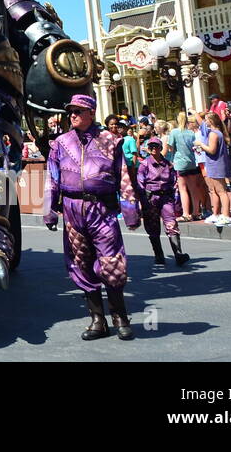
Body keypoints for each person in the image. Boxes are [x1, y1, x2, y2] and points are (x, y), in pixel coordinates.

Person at [42, 93, 140, 341]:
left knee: (112, 263)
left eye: (77, 110)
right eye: (70, 111)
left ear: (91, 113)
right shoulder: (60, 143)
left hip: (102, 210)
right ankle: (98, 320)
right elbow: (52, 179)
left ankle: (120, 317)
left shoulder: (112, 141)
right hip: (73, 211)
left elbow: (124, 177)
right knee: (81, 264)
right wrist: (49, 211)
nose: (72, 115)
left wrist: (130, 211)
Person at [136, 137, 188, 267]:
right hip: (150, 198)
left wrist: (175, 199)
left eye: (156, 146)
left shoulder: (168, 165)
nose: (154, 148)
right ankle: (158, 255)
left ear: (160, 148)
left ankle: (178, 254)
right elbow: (139, 183)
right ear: (148, 149)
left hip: (166, 198)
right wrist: (142, 200)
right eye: (151, 146)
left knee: (172, 224)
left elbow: (174, 181)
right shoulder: (144, 165)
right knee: (153, 227)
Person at [194, 112, 231, 226]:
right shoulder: (216, 133)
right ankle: (217, 214)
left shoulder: (214, 134)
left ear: (211, 121)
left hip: (216, 164)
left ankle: (226, 216)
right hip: (214, 164)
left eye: (206, 120)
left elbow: (212, 150)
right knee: (215, 190)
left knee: (222, 191)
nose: (205, 122)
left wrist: (200, 144)